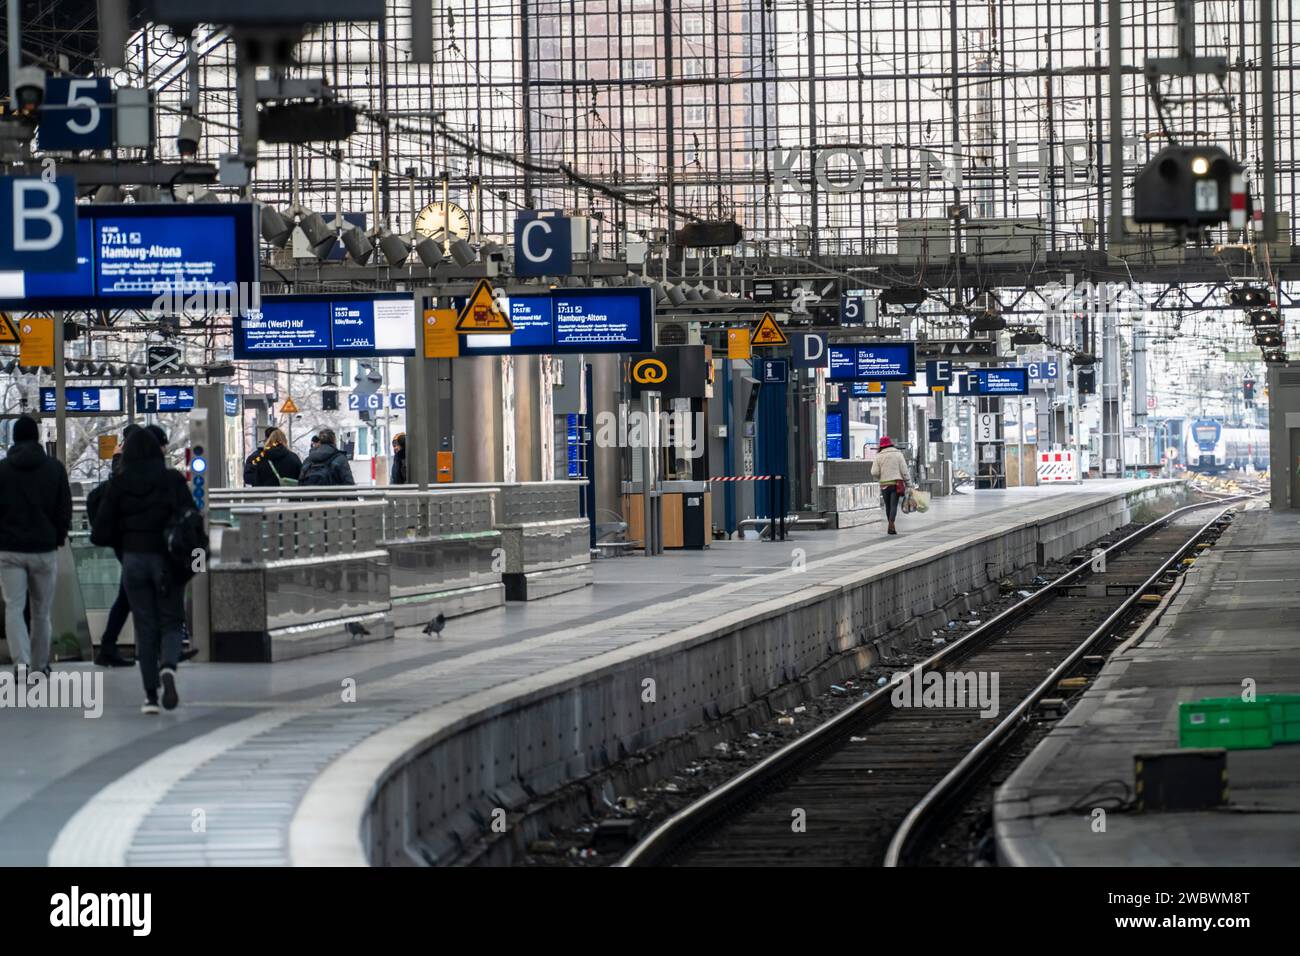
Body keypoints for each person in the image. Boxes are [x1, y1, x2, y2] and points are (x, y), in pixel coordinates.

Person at [90, 429, 194, 714]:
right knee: (171, 621)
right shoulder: (172, 479)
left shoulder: (120, 484)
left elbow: (100, 532)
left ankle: (150, 697)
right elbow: (192, 520)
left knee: (144, 627)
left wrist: (123, 542)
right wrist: (195, 561)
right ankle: (169, 668)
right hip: (167, 561)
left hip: (133, 561)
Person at [0, 416, 72, 677]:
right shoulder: (54, 469)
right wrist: (57, 537)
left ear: (14, 438)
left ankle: (21, 664)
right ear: (37, 436)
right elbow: (64, 508)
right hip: (44, 549)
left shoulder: (3, 470)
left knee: (14, 607)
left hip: (9, 550)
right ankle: (40, 666)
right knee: (41, 611)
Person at [87, 423, 141, 667]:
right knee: (135, 592)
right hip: (132, 539)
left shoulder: (120, 458)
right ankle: (161, 646)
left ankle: (109, 646)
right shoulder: (132, 463)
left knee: (128, 593)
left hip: (124, 539)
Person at [871, 435, 911, 536]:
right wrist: (908, 483)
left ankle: (891, 525)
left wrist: (880, 476)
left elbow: (874, 472)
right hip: (895, 484)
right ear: (890, 444)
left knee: (888, 506)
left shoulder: (878, 456)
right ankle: (891, 525)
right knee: (894, 505)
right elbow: (904, 470)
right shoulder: (898, 454)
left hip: (884, 484)